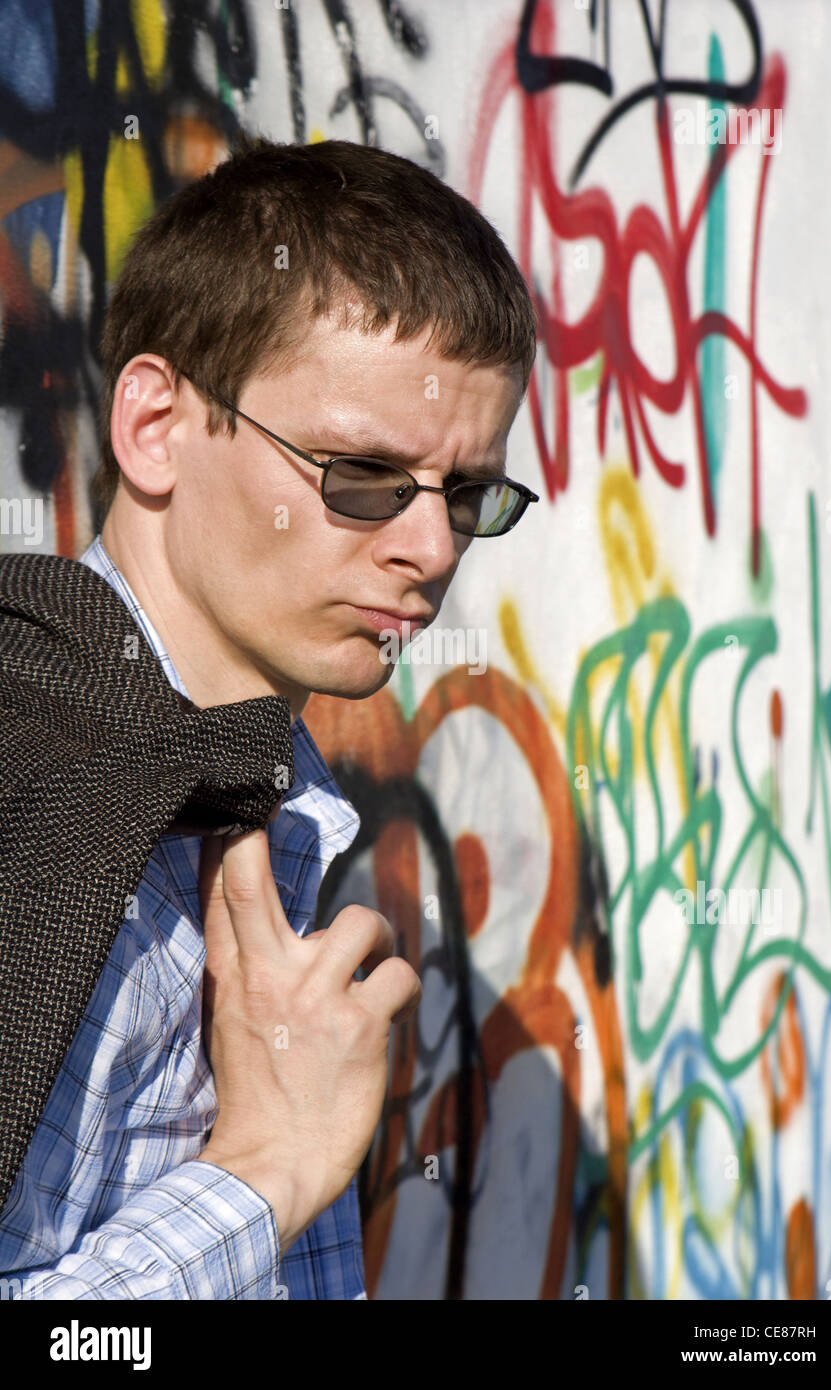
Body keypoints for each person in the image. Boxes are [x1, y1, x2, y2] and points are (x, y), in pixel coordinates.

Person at [0, 133, 537, 1299]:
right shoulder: (39, 799)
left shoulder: (261, 793)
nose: (430, 548)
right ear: (154, 428)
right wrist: (266, 1168)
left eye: (467, 494)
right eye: (360, 475)